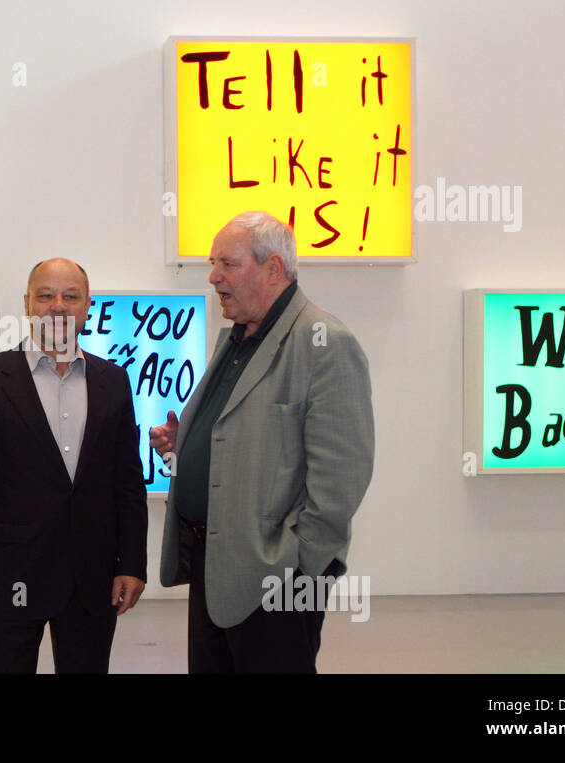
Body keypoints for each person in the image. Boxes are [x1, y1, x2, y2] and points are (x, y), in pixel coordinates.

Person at [149, 211, 374, 673]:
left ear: (273, 269)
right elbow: (243, 433)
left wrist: (294, 567)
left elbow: (342, 477)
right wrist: (188, 444)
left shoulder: (325, 343)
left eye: (227, 264)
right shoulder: (235, 339)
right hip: (214, 568)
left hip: (277, 578)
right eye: (213, 263)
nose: (213, 277)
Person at [0, 258, 149, 673]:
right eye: (46, 295)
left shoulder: (113, 381)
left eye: (71, 296)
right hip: (10, 577)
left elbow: (128, 485)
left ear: (88, 305)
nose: (58, 306)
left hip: (92, 578)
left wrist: (132, 563)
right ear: (27, 303)